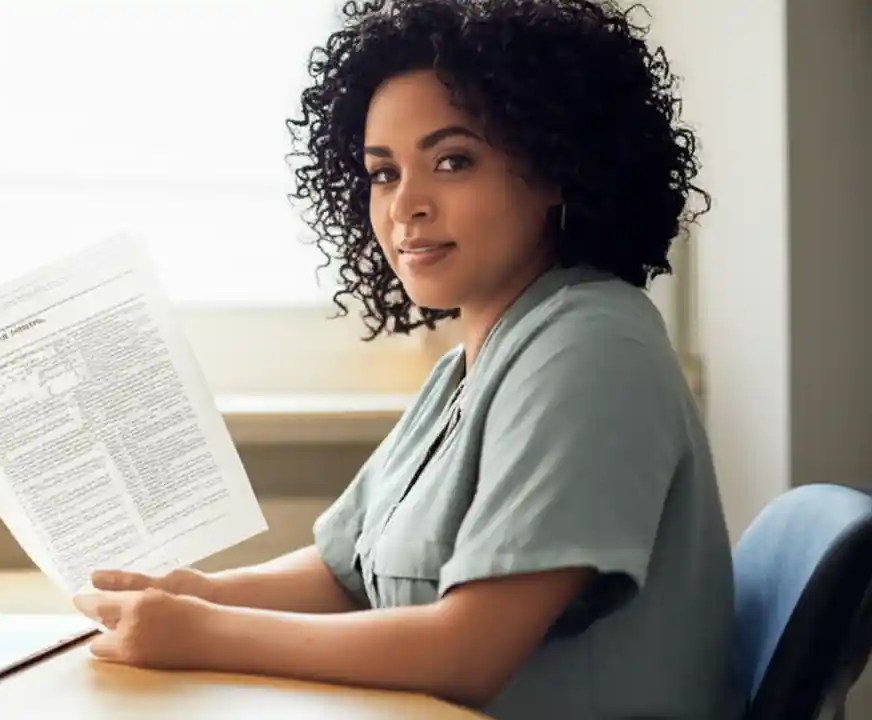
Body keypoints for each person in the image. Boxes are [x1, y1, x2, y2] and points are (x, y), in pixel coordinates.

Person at [73, 1, 742, 717]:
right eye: (383, 172)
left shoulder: (594, 349)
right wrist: (197, 594)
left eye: (452, 161)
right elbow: (345, 575)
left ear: (557, 170)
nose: (404, 207)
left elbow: (468, 653)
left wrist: (203, 632)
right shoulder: (470, 368)